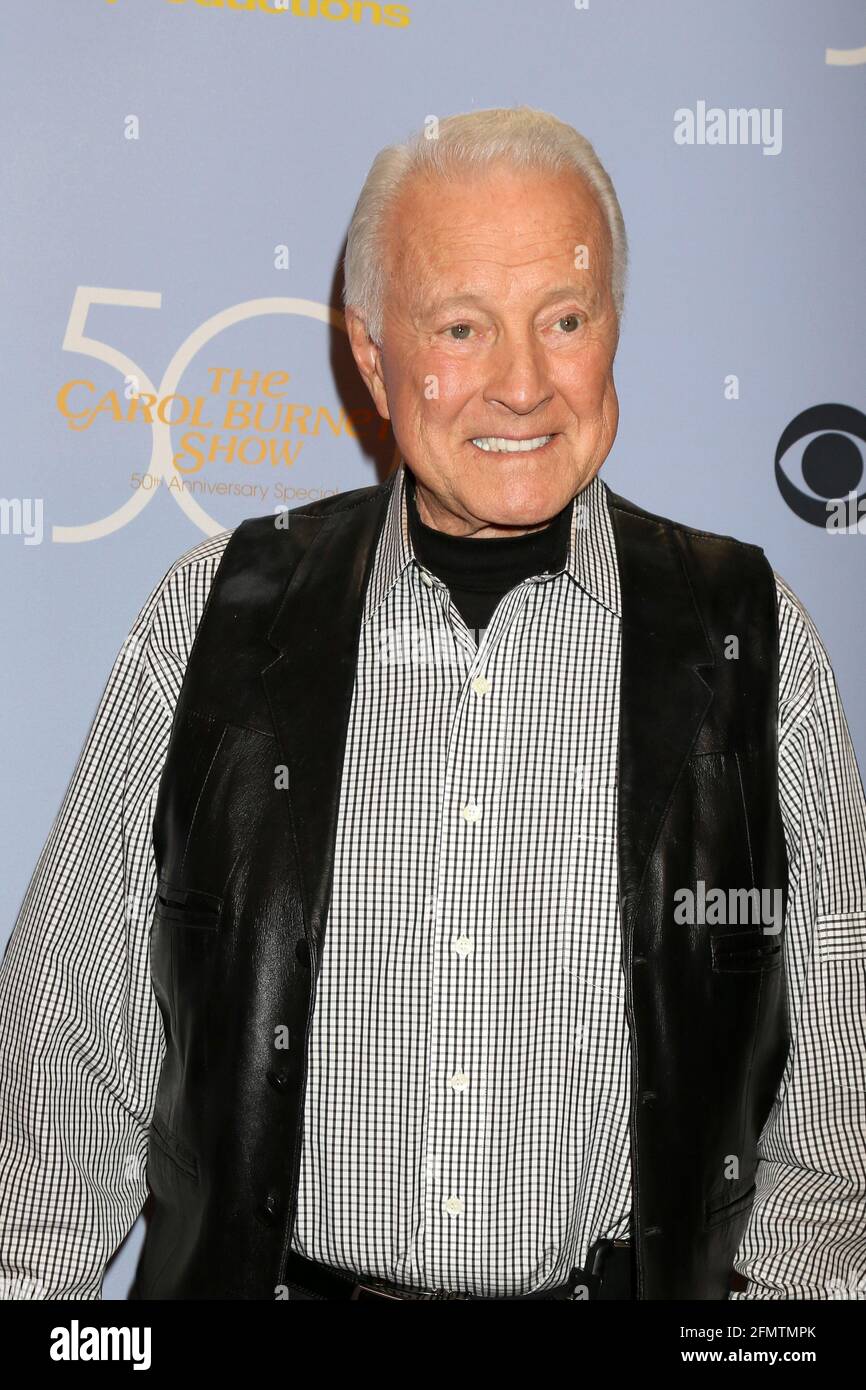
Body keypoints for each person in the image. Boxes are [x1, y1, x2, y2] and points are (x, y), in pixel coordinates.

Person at [1, 106, 865, 1302]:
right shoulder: (218, 618)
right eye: (461, 327)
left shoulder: (748, 642)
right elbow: (59, 1096)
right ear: (371, 354)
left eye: (563, 320)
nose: (522, 385)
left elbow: (834, 1148)